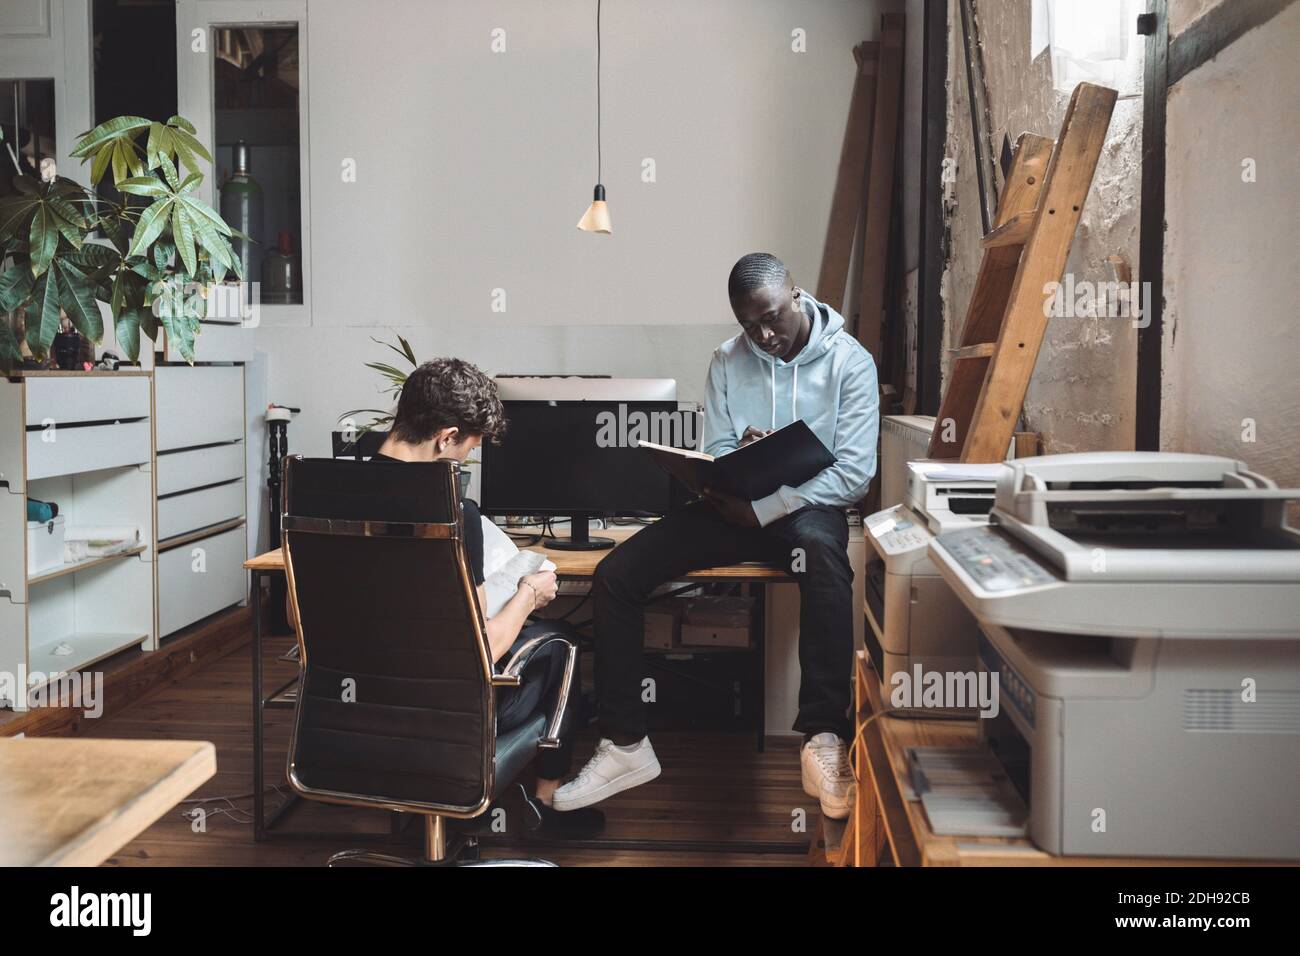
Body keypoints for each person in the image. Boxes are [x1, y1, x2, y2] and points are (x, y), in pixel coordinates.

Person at [554, 253, 879, 821]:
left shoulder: (851, 363)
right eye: (749, 324)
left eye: (772, 317)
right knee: (616, 576)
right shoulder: (728, 359)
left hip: (806, 512)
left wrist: (771, 506)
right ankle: (625, 744)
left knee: (825, 558)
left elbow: (853, 473)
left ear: (796, 295)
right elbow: (721, 447)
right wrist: (742, 456)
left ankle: (824, 736)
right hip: (738, 507)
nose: (764, 335)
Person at [373, 357, 604, 839]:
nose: (461, 463)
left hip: (355, 710)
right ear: (445, 436)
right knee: (561, 640)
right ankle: (543, 808)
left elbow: (297, 615)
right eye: (465, 451)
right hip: (447, 714)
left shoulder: (322, 494)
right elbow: (483, 650)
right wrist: (527, 593)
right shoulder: (453, 512)